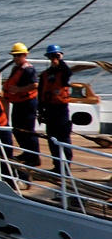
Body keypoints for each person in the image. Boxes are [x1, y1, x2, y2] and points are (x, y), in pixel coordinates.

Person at [2, 42, 41, 167]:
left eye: (18, 55)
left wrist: (18, 90)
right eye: (14, 56)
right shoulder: (16, 69)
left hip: (27, 104)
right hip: (18, 103)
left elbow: (35, 85)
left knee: (28, 131)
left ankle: (34, 157)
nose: (15, 58)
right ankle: (26, 152)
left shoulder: (29, 70)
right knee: (18, 130)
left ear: (24, 55)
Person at [38, 44, 73, 172]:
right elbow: (40, 92)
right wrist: (40, 111)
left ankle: (66, 167)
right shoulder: (45, 75)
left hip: (61, 110)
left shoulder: (63, 73)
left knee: (63, 137)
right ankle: (57, 166)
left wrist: (61, 60)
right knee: (52, 139)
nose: (53, 59)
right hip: (49, 110)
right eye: (51, 56)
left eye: (55, 56)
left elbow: (69, 73)